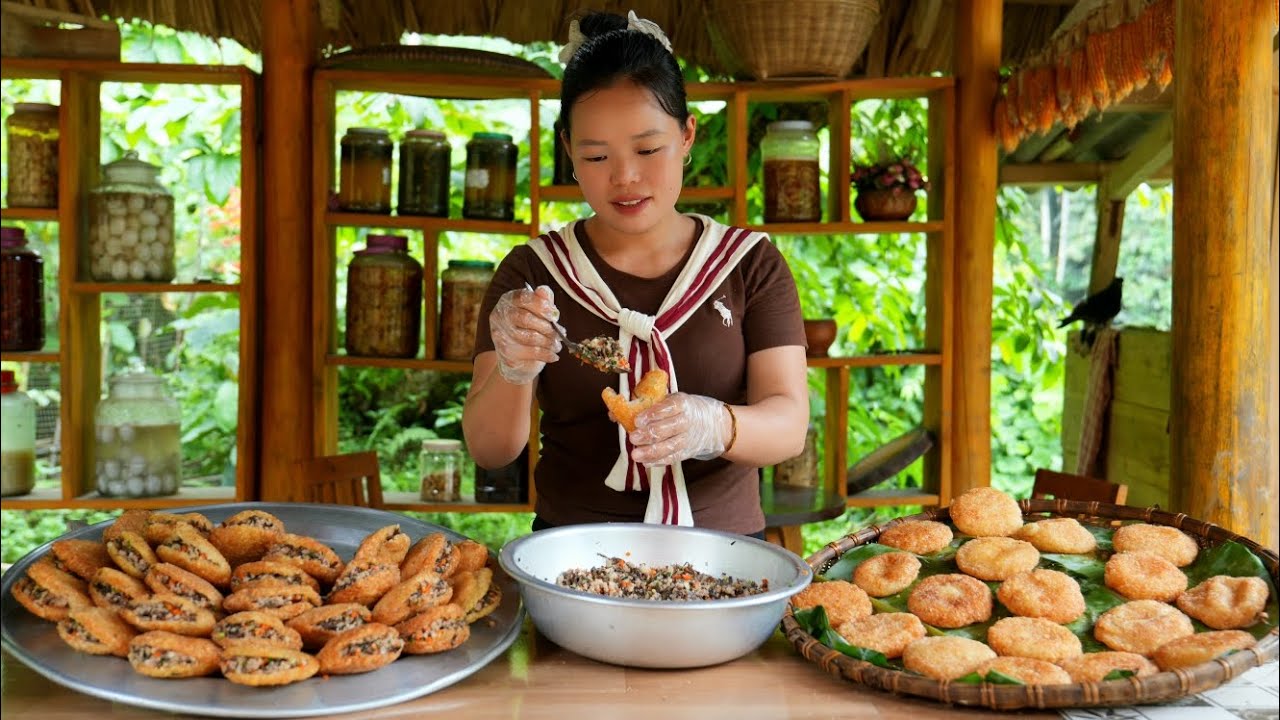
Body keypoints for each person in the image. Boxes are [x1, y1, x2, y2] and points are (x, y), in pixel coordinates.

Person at [461, 9, 809, 536]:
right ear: (567, 150)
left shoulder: (748, 264)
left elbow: (788, 426)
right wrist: (514, 368)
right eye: (596, 157)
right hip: (572, 555)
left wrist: (714, 423)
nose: (625, 177)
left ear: (687, 135)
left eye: (647, 149)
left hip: (723, 554)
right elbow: (491, 450)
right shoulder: (534, 273)